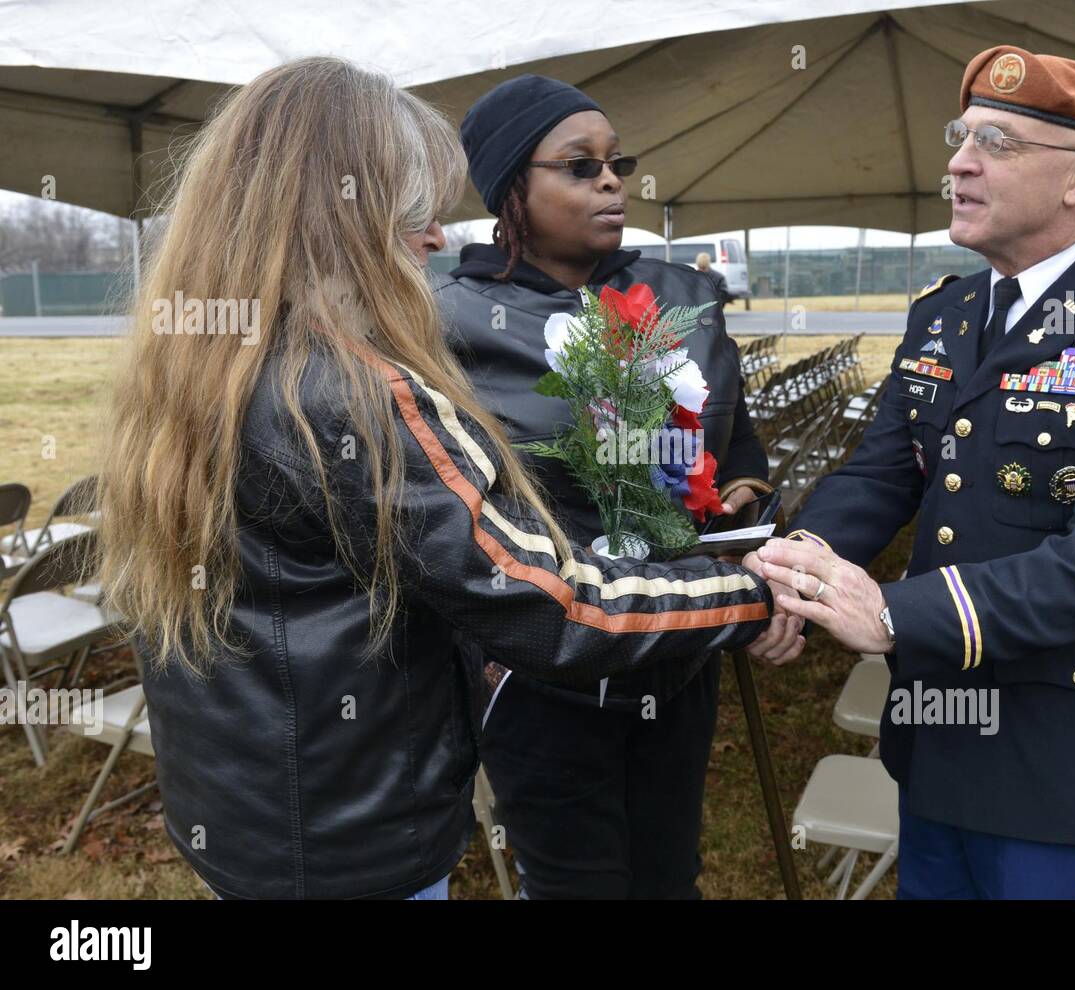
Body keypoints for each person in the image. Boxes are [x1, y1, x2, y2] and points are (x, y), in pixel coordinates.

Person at [92, 57, 793, 900]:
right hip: (357, 836)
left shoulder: (206, 360)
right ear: (334, 215)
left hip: (250, 817)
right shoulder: (350, 391)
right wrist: (749, 591)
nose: (433, 241)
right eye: (414, 213)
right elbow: (555, 610)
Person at [756, 45, 1075, 899]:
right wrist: (798, 567)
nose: (958, 164)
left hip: (1058, 759)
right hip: (934, 734)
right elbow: (881, 473)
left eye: (998, 144)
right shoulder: (946, 311)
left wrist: (889, 612)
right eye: (961, 137)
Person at [433, 74, 801, 899]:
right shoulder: (448, 321)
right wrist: (490, 655)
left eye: (616, 162)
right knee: (578, 885)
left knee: (669, 873)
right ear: (510, 193)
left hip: (680, 646)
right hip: (544, 666)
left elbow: (736, 440)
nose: (610, 181)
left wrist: (748, 522)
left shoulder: (682, 297)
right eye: (578, 165)